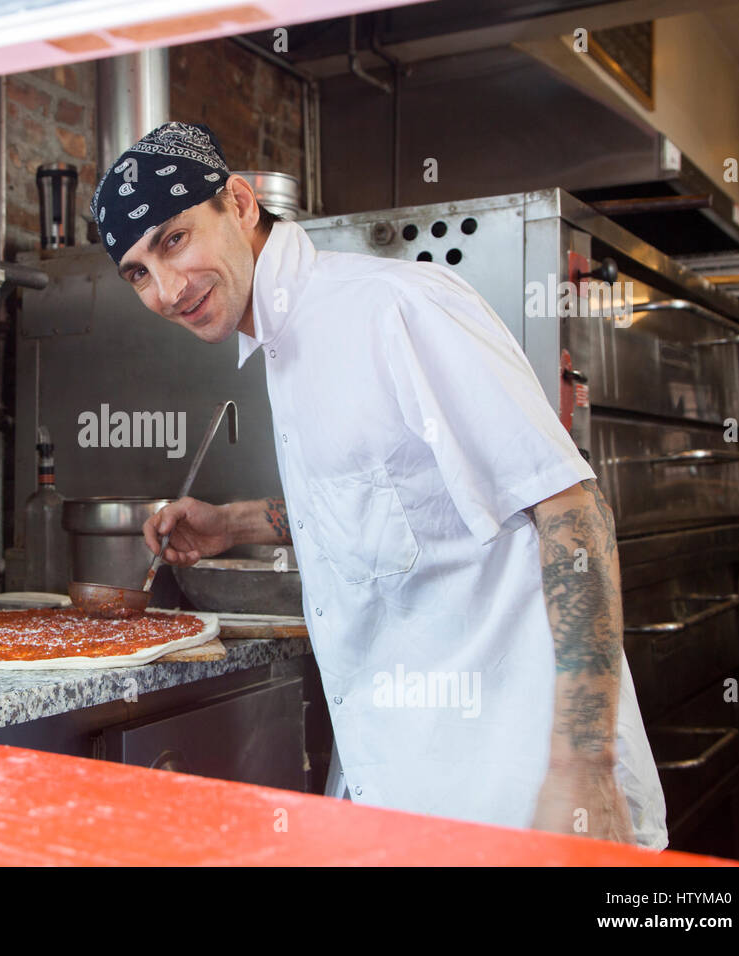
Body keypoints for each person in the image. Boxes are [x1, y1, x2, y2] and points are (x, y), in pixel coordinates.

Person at [90, 121, 667, 848]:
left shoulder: (395, 306)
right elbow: (394, 499)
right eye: (138, 272)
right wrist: (232, 524)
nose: (168, 291)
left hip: (521, 790)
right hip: (402, 784)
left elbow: (572, 512)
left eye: (174, 240)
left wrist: (584, 769)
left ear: (238, 204)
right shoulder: (281, 340)